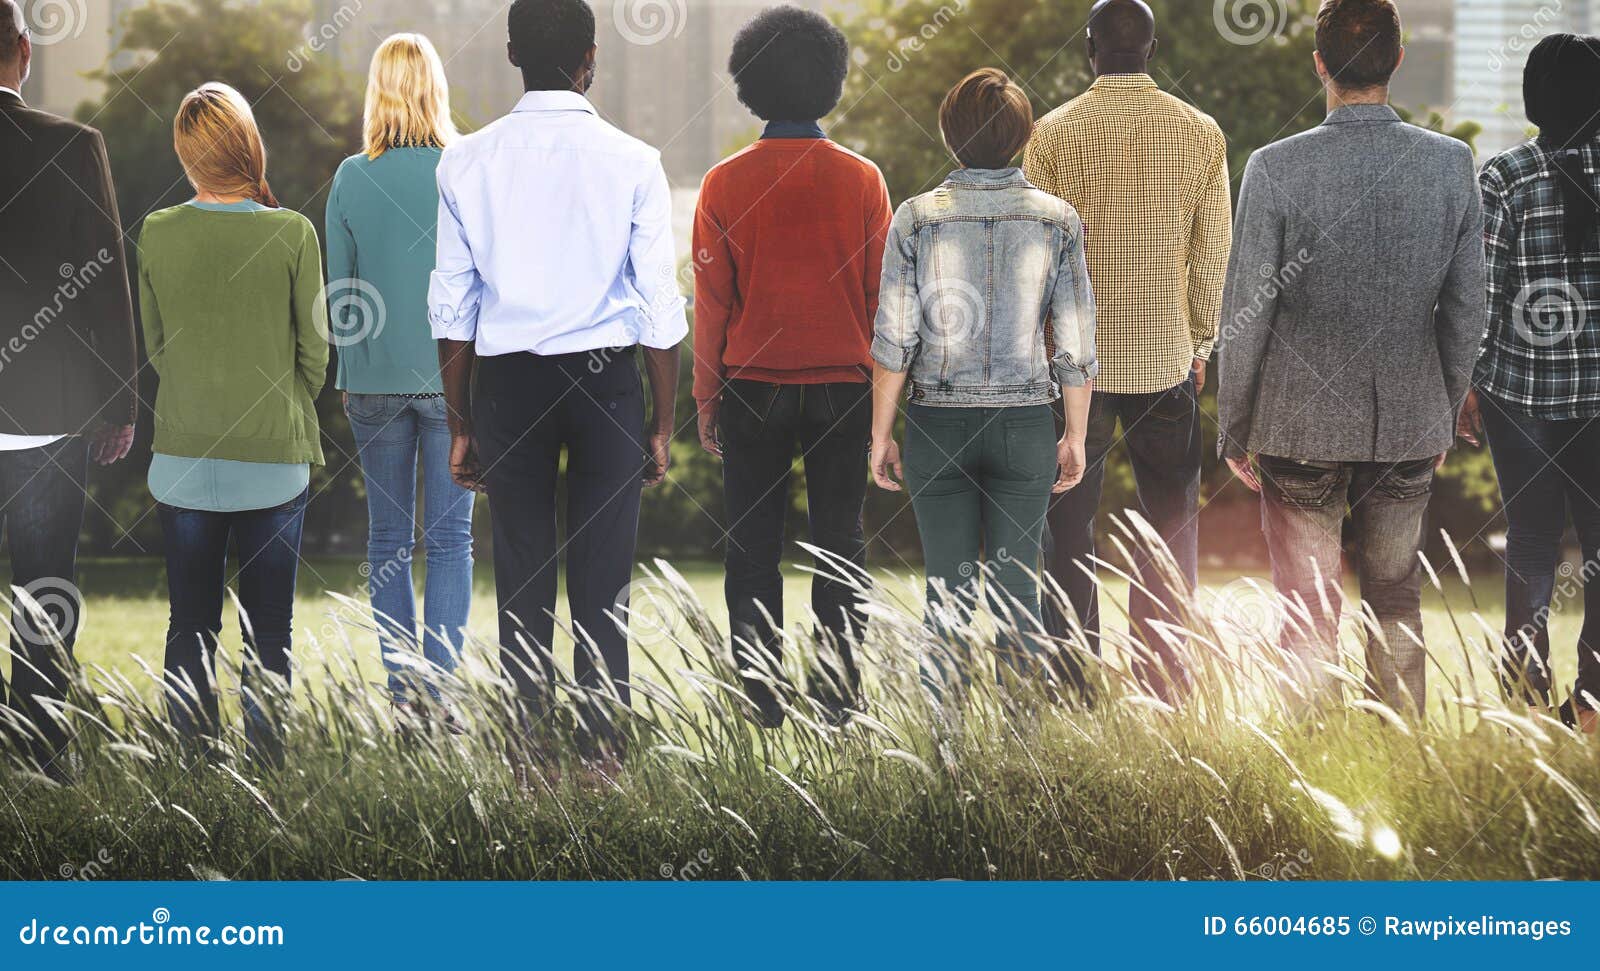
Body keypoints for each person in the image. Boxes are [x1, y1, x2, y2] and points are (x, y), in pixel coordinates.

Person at [429, 0, 686, 778]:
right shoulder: (636, 160)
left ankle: (528, 754)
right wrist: (662, 423)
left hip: (508, 382)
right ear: (591, 57)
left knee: (522, 571)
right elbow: (660, 306)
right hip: (607, 383)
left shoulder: (464, 161)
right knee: (604, 577)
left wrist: (461, 423)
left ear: (511, 54)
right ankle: (602, 756)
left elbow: (453, 306)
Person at [1218, 0, 1484, 716]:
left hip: (1296, 426)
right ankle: (1400, 746)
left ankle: (1313, 759)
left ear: (1319, 65)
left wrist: (1234, 428)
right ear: (1397, 60)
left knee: (1307, 605)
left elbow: (1246, 312)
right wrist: (1441, 408)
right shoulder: (1451, 164)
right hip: (1407, 419)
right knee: (1396, 597)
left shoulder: (1273, 166)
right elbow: (1467, 308)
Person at [1023, 0, 1232, 702]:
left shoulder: (1051, 132)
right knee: (1170, 524)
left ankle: (1071, 681)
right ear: (1152, 48)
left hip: (1070, 366)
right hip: (1164, 358)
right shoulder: (1199, 131)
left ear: (1089, 50)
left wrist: (1041, 345)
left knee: (1066, 525)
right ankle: (1164, 680)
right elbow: (1213, 254)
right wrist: (1200, 341)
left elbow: (1037, 255)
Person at [692, 5, 891, 728]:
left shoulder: (722, 183)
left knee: (751, 549)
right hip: (844, 388)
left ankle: (762, 698)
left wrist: (706, 399)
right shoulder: (863, 180)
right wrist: (887, 410)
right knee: (841, 544)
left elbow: (711, 307)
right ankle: (838, 700)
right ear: (830, 81)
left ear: (749, 83)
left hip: (752, 388)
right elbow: (882, 303)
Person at [871, 68, 1096, 702]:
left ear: (949, 135)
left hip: (937, 424)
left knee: (947, 592)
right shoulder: (1057, 220)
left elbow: (895, 340)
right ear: (1023, 137)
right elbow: (1075, 342)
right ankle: (1019, 744)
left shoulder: (916, 219)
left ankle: (944, 743)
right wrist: (1075, 434)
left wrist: (880, 435)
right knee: (1019, 590)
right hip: (1025, 425)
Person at [139, 83, 328, 765]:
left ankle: (192, 765)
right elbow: (316, 353)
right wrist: (282, 404)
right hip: (275, 462)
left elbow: (157, 348)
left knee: (189, 622)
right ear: (249, 147)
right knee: (269, 628)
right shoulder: (294, 233)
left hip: (183, 461)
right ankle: (267, 769)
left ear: (187, 154)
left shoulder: (157, 232)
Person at [0, 0, 139, 779]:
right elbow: (105, 279)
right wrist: (119, 400)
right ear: (25, 51)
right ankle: (42, 747)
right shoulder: (76, 146)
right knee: (46, 583)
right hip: (49, 415)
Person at [327, 33, 474, 724]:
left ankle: (404, 698)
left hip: (375, 382)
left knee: (387, 542)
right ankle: (441, 698)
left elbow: (341, 292)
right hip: (455, 383)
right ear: (435, 88)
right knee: (451, 541)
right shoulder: (464, 169)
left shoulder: (352, 176)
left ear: (377, 91)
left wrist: (352, 373)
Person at [1461, 33, 1600, 734]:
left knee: (1532, 542)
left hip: (1521, 400)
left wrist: (1466, 384)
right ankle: (1594, 704)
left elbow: (1481, 297)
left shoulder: (1505, 175)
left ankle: (1524, 703)